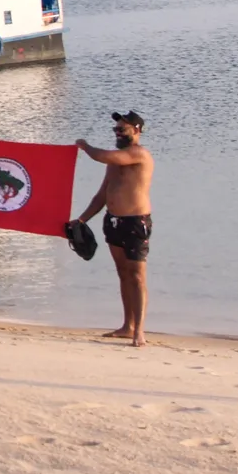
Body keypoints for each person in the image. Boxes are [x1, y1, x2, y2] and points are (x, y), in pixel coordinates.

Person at [75, 110, 155, 347]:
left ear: (137, 130)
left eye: (122, 129)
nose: (117, 133)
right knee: (123, 273)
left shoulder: (139, 154)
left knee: (137, 276)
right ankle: (127, 326)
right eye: (115, 129)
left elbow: (100, 156)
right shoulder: (115, 160)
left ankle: (139, 330)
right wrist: (81, 220)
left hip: (135, 222)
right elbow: (102, 194)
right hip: (113, 221)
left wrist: (85, 146)